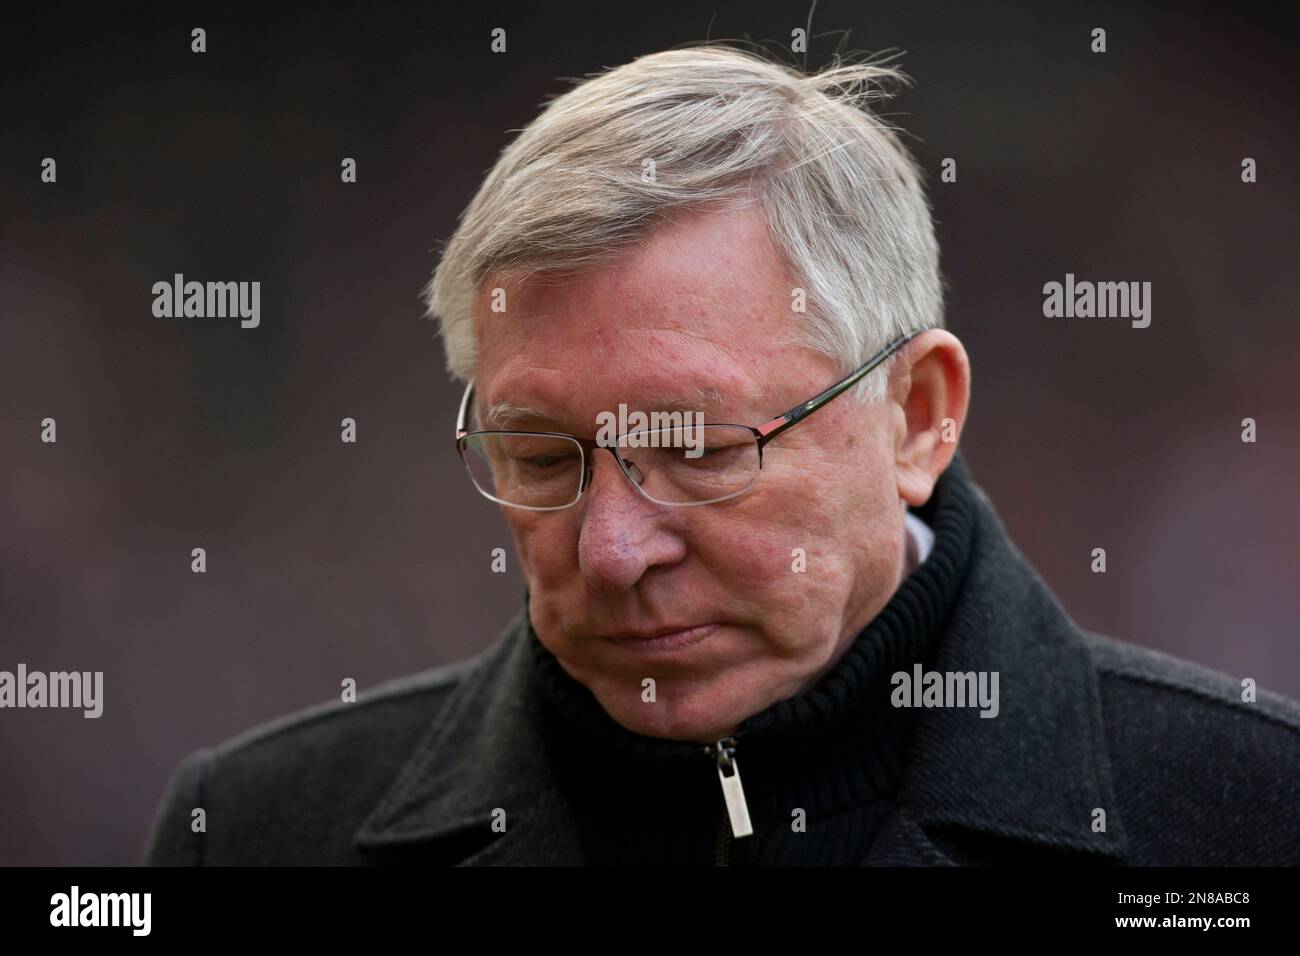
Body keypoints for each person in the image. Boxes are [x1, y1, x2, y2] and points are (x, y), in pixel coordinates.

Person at [145, 46, 1300, 866]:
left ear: (915, 414)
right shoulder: (254, 829)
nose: (609, 550)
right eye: (539, 456)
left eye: (696, 447)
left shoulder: (1248, 814)